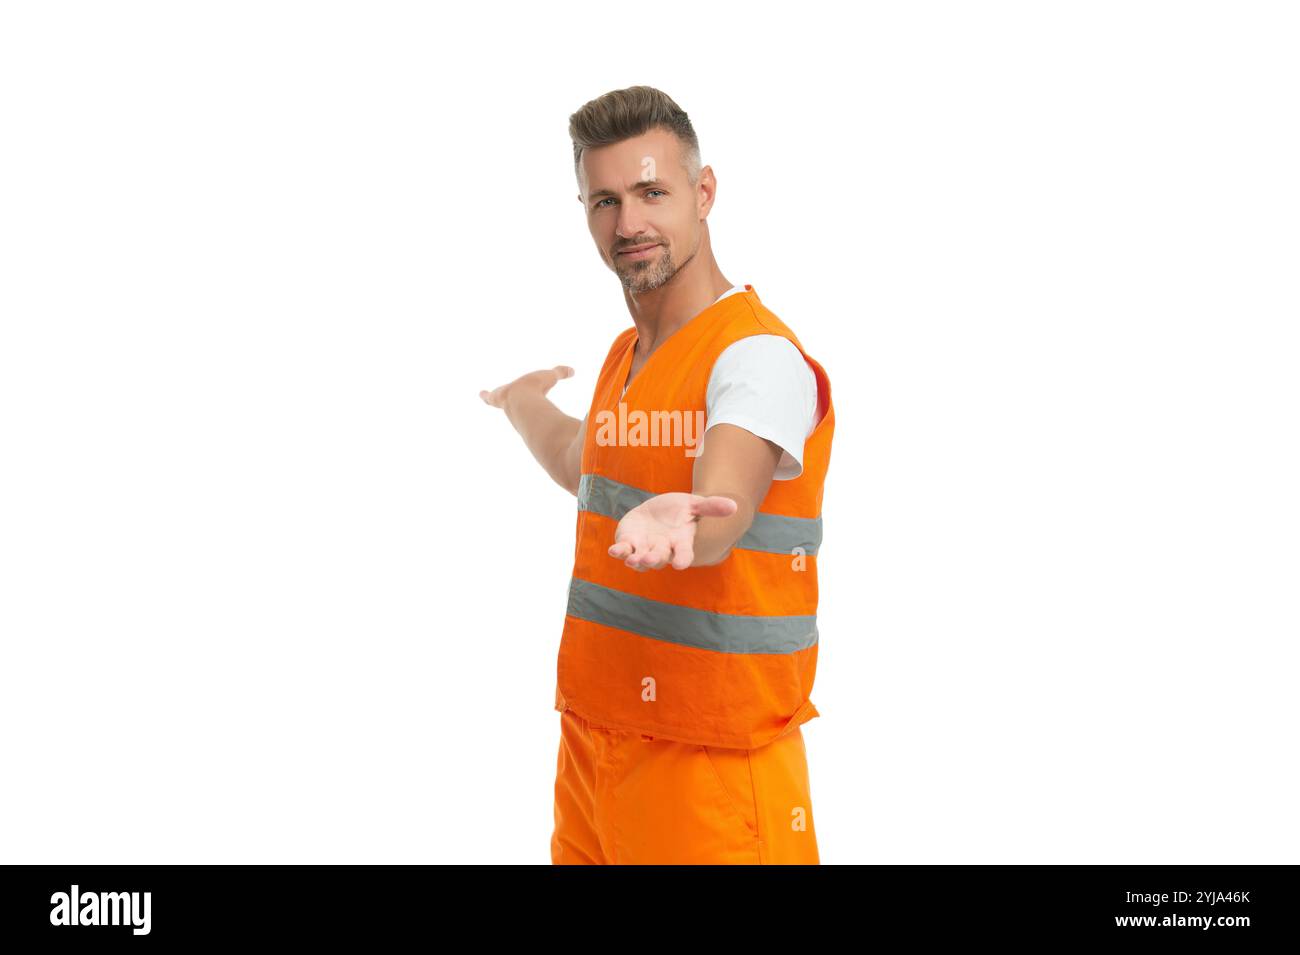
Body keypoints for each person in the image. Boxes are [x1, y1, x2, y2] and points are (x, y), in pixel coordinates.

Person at [479, 86, 835, 864]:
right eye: (605, 200)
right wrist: (520, 402)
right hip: (592, 753)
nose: (628, 223)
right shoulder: (624, 360)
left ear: (703, 194)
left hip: (711, 774)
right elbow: (583, 461)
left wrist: (692, 522)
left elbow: (724, 501)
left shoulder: (758, 357)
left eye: (651, 192)